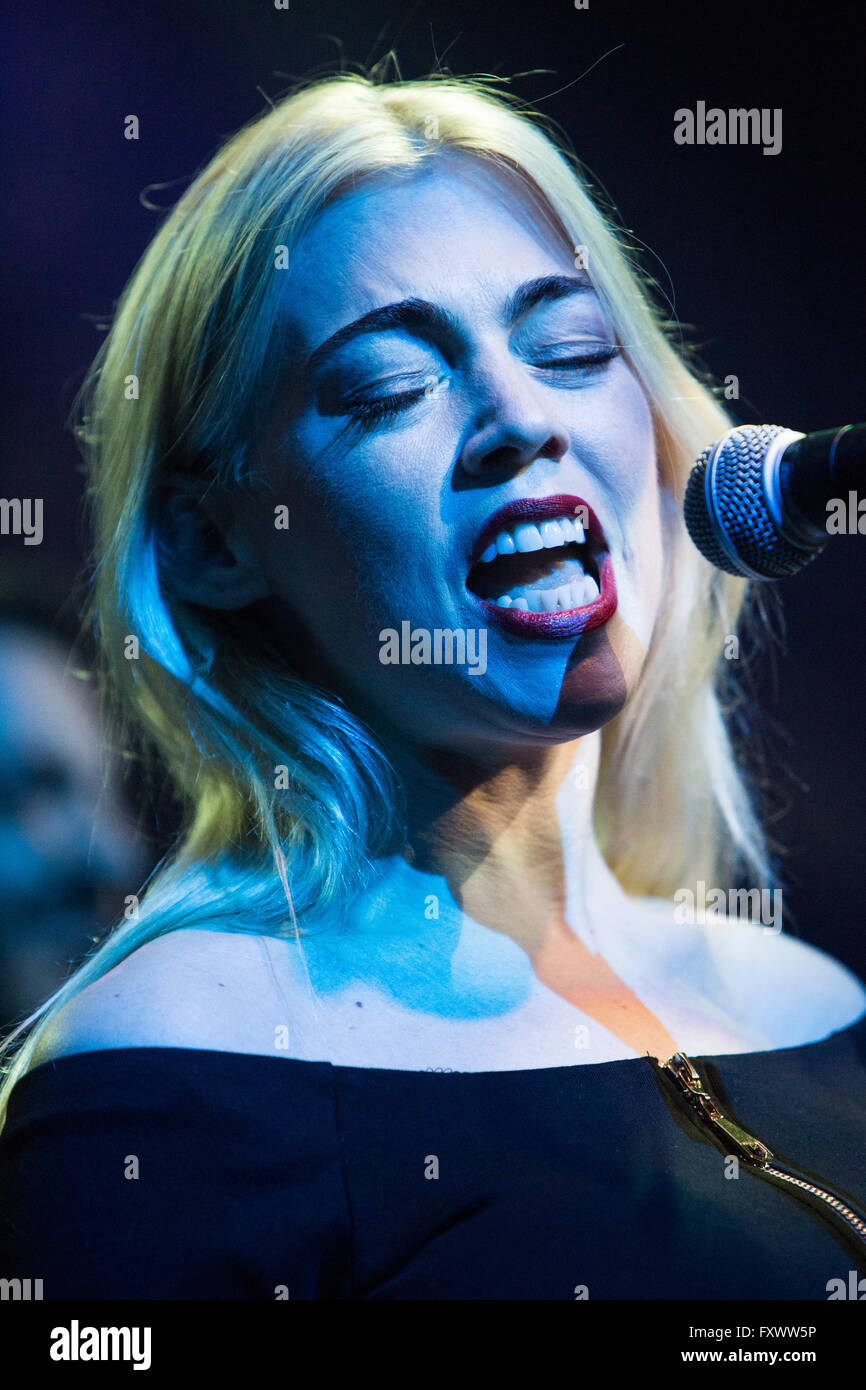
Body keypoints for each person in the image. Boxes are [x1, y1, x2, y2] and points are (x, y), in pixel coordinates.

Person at [0, 68, 864, 1301]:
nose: (519, 413)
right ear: (213, 538)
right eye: (391, 387)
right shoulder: (170, 1070)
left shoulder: (808, 1002)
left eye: (570, 347)